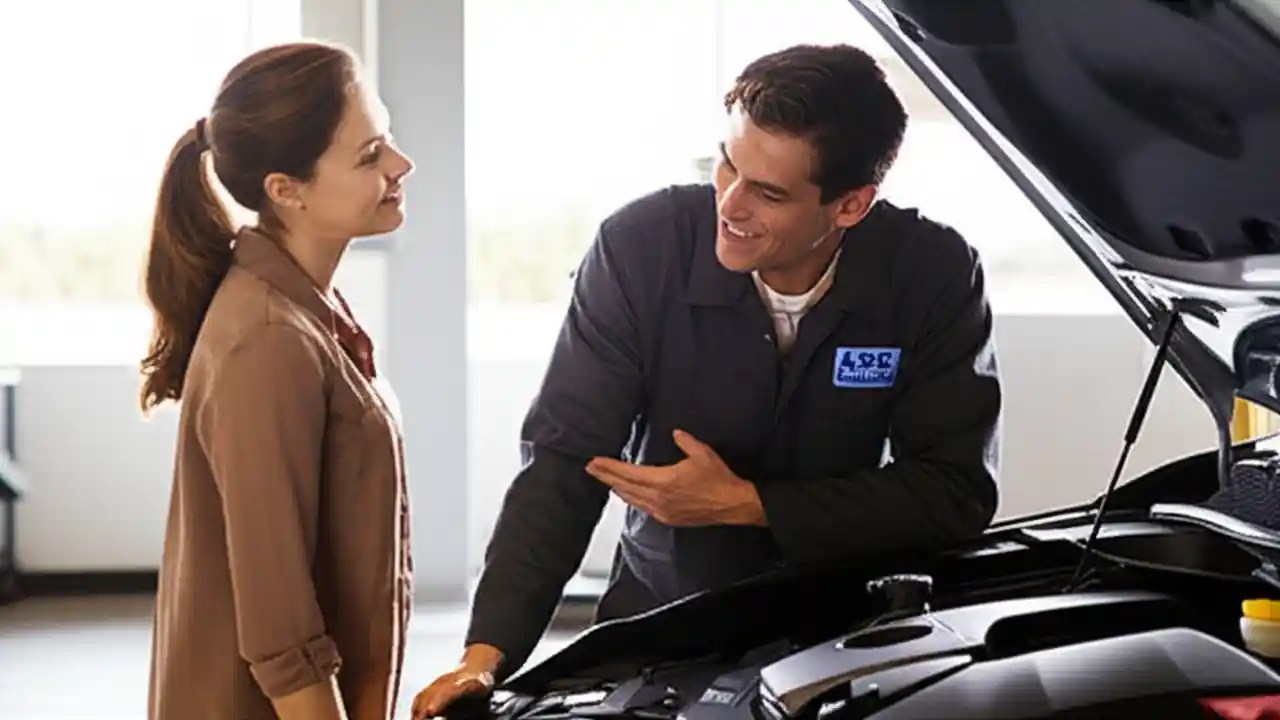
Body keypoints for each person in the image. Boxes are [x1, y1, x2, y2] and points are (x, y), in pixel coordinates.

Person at [413, 42, 1002, 718]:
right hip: (661, 620)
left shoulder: (934, 273)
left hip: (843, 632)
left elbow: (954, 492)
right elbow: (564, 462)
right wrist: (485, 656)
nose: (730, 202)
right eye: (727, 163)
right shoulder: (640, 248)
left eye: (768, 193)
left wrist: (751, 504)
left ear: (850, 206)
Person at [141, 41, 415, 720]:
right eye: (369, 155)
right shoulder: (269, 341)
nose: (400, 164)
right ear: (285, 190)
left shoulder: (306, 309)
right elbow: (281, 632)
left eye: (387, 139)